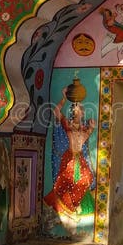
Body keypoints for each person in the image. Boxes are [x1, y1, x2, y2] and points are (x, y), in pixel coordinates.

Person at [44, 87, 96, 217]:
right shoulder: (68, 124)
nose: (81, 111)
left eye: (81, 109)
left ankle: (74, 204)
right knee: (67, 182)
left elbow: (85, 137)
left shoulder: (84, 128)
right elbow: (56, 111)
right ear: (73, 111)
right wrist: (64, 98)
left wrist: (91, 127)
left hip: (79, 158)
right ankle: (69, 206)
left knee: (88, 177)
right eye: (78, 109)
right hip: (70, 158)